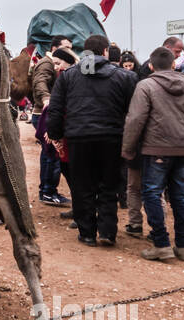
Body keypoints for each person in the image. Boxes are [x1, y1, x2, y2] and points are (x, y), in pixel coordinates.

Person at [47, 34, 136, 246]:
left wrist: (56, 135)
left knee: (82, 186)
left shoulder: (68, 76)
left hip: (79, 138)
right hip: (112, 138)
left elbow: (56, 109)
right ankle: (107, 232)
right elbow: (133, 111)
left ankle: (86, 232)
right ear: (105, 51)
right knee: (108, 185)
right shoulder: (124, 77)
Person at [122, 47, 184, 261]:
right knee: (180, 196)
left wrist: (128, 148)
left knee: (152, 193)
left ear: (151, 66)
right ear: (174, 64)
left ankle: (162, 243)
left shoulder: (146, 85)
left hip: (156, 147)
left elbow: (135, 119)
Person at [31, 35, 72, 207]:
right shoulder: (47, 63)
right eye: (66, 47)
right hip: (45, 114)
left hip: (48, 113)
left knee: (50, 154)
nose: (70, 50)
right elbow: (39, 82)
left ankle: (48, 190)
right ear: (55, 48)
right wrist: (48, 100)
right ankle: (48, 191)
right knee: (52, 155)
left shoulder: (51, 62)